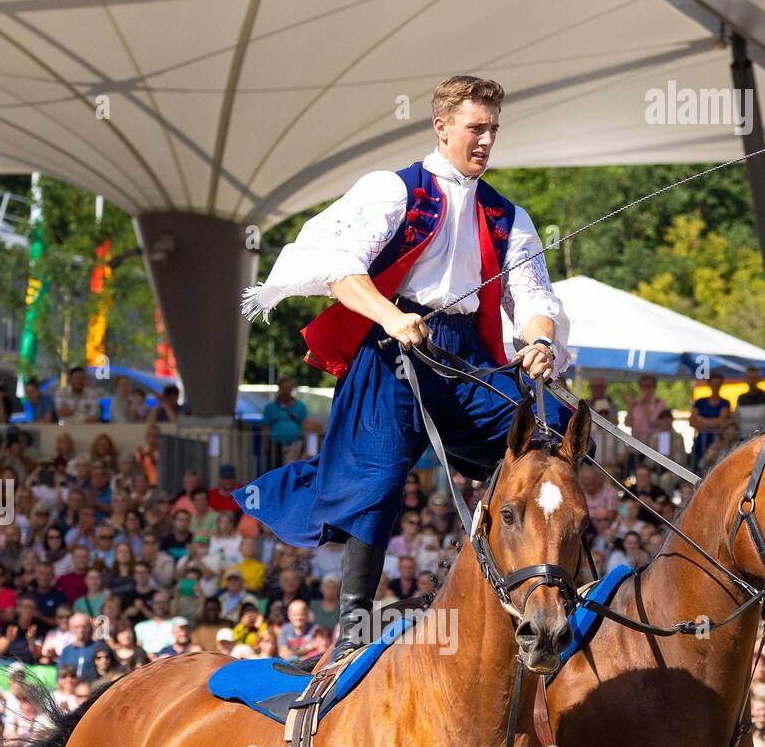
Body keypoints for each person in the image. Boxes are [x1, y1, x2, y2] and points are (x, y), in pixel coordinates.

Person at [239, 73, 571, 662]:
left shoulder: (508, 215)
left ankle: (530, 587)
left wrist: (540, 343)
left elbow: (534, 297)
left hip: (463, 352)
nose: (487, 140)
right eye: (476, 128)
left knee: (550, 419)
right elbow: (340, 269)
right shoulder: (394, 191)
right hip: (391, 348)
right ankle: (351, 633)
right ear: (441, 127)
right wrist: (390, 316)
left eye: (494, 129)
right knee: (378, 481)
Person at [689, 373, 731, 471]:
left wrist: (701, 419)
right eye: (714, 384)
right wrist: (713, 424)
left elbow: (722, 422)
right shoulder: (700, 402)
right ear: (709, 384)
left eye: (718, 384)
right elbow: (692, 421)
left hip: (718, 442)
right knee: (698, 467)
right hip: (701, 442)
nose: (716, 387)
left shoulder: (725, 402)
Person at [262, 377, 308, 463]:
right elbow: (266, 426)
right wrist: (265, 444)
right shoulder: (270, 408)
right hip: (275, 446)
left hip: (296, 445)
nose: (286, 391)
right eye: (284, 388)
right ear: (279, 388)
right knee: (275, 470)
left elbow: (305, 425)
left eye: (288, 388)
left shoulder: (300, 406)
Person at [734, 366, 765, 440]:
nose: (751, 381)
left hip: (762, 439)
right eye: (749, 378)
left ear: (759, 379)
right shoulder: (740, 398)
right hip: (744, 439)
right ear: (745, 379)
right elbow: (736, 419)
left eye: (753, 378)